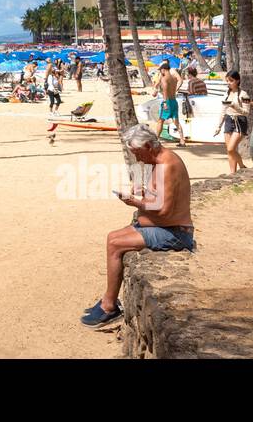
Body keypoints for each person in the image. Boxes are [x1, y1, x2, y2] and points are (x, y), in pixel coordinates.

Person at [81, 124, 194, 327]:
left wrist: (135, 202)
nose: (138, 159)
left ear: (149, 146)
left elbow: (164, 210)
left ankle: (109, 306)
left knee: (116, 245)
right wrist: (142, 190)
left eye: (138, 153)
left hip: (174, 233)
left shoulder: (167, 165)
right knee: (112, 238)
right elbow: (158, 196)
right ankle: (109, 302)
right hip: (160, 227)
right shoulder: (158, 159)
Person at [220, 70, 250, 173]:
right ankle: (233, 173)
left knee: (231, 149)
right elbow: (223, 110)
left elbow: (246, 112)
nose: (228, 83)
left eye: (231, 81)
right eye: (227, 81)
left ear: (237, 81)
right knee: (229, 150)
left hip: (239, 121)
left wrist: (235, 106)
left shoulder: (243, 94)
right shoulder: (226, 93)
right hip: (228, 120)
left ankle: (241, 166)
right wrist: (219, 125)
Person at [154, 61, 183, 146]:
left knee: (160, 121)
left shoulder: (164, 79)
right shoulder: (174, 78)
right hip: (174, 101)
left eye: (161, 70)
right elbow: (179, 82)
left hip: (167, 101)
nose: (160, 72)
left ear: (164, 69)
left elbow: (165, 90)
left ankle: (156, 140)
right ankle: (182, 140)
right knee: (176, 122)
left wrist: (165, 102)